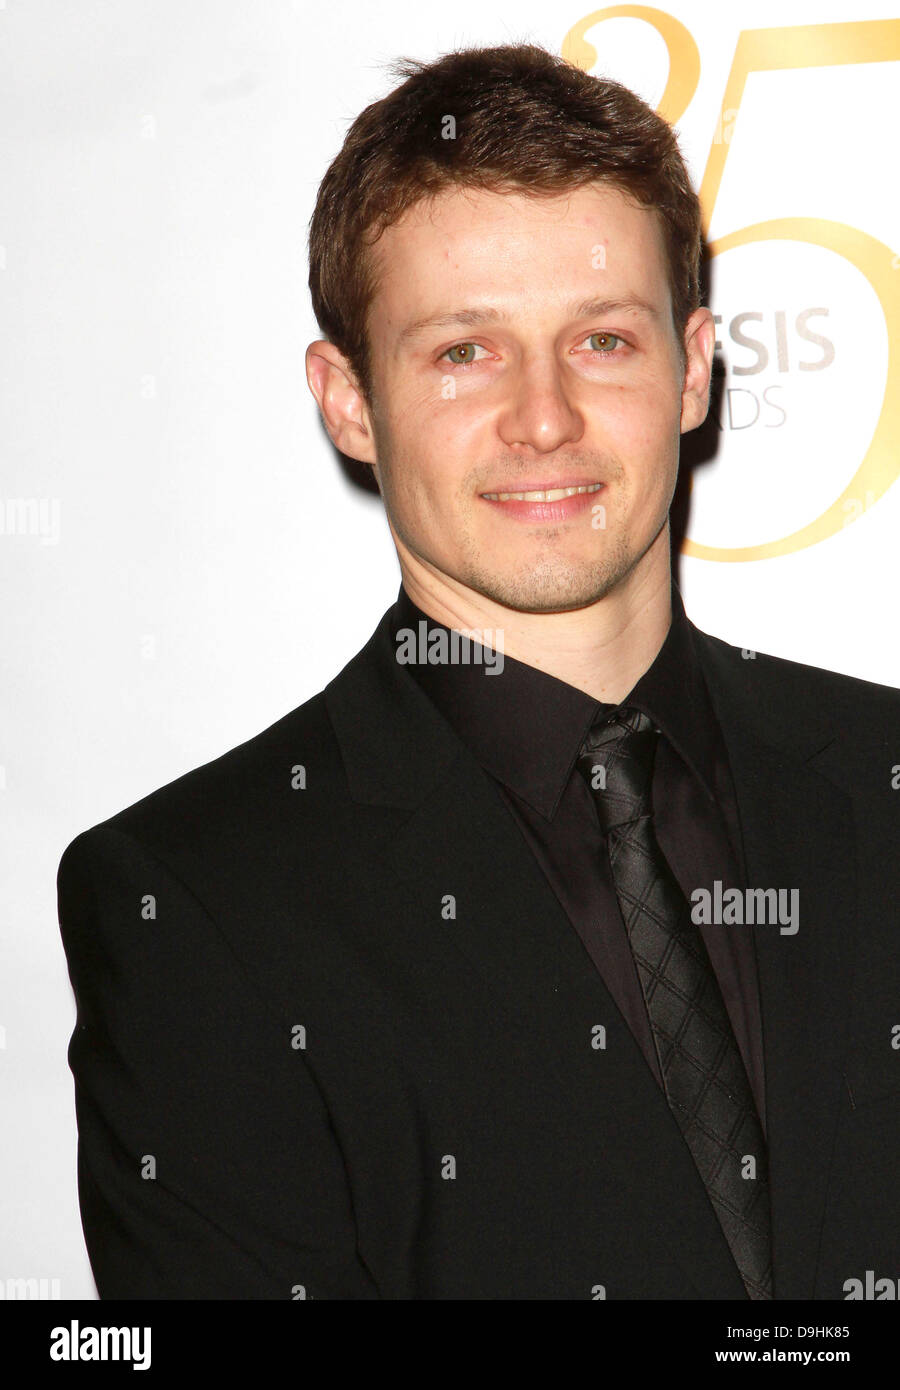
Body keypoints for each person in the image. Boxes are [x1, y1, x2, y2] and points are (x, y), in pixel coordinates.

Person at [58, 42, 900, 1300]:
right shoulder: (198, 904)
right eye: (464, 351)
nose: (544, 417)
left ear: (697, 366)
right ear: (348, 400)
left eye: (604, 341)